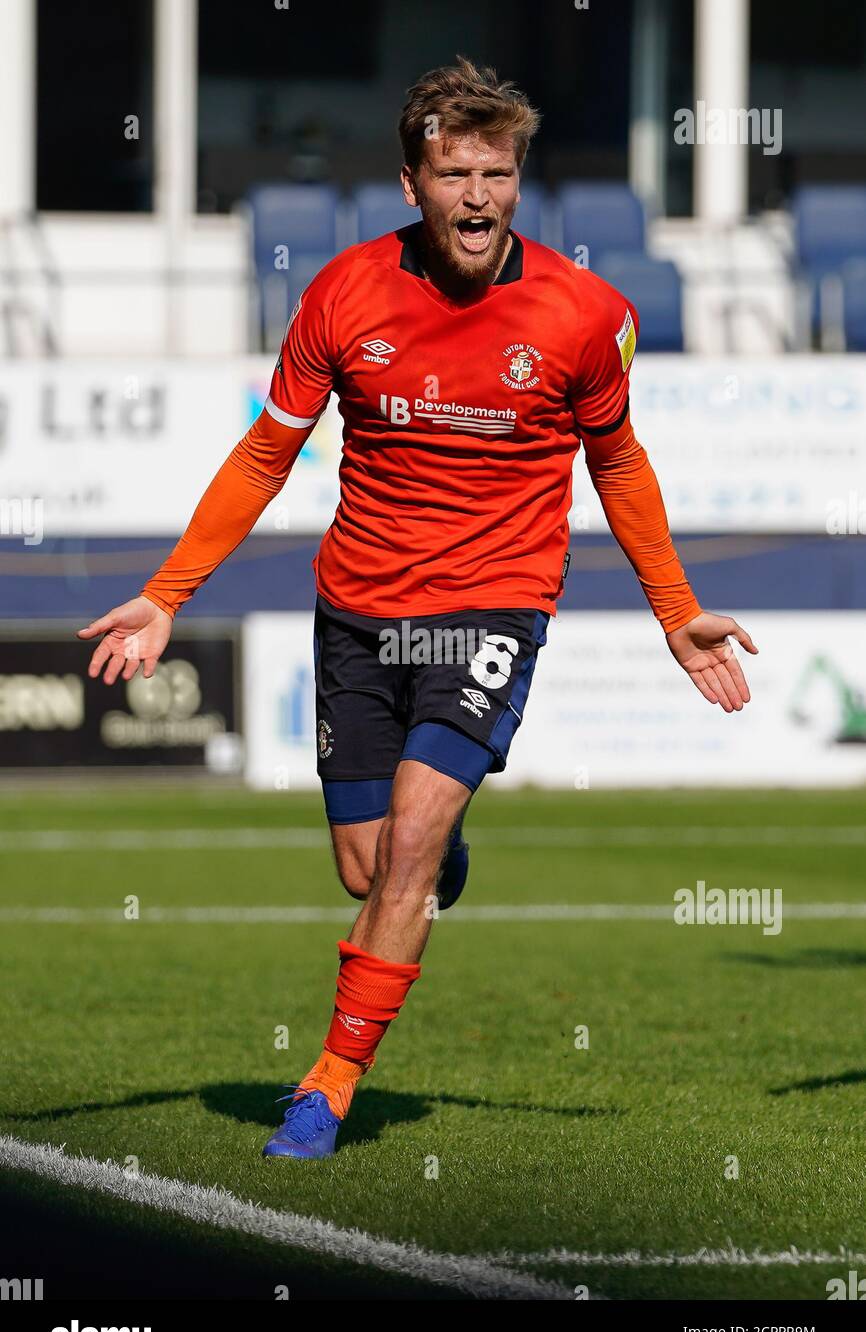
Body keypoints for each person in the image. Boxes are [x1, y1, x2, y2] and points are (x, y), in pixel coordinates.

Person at [78, 56, 757, 1160]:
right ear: (411, 184)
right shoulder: (342, 294)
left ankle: (326, 1087)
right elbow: (265, 453)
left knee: (402, 859)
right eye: (454, 174)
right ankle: (431, 858)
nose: (477, 195)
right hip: (356, 610)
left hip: (492, 610)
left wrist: (672, 611)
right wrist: (164, 596)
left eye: (496, 172)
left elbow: (618, 467)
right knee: (370, 864)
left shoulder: (586, 316)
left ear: (517, 182)